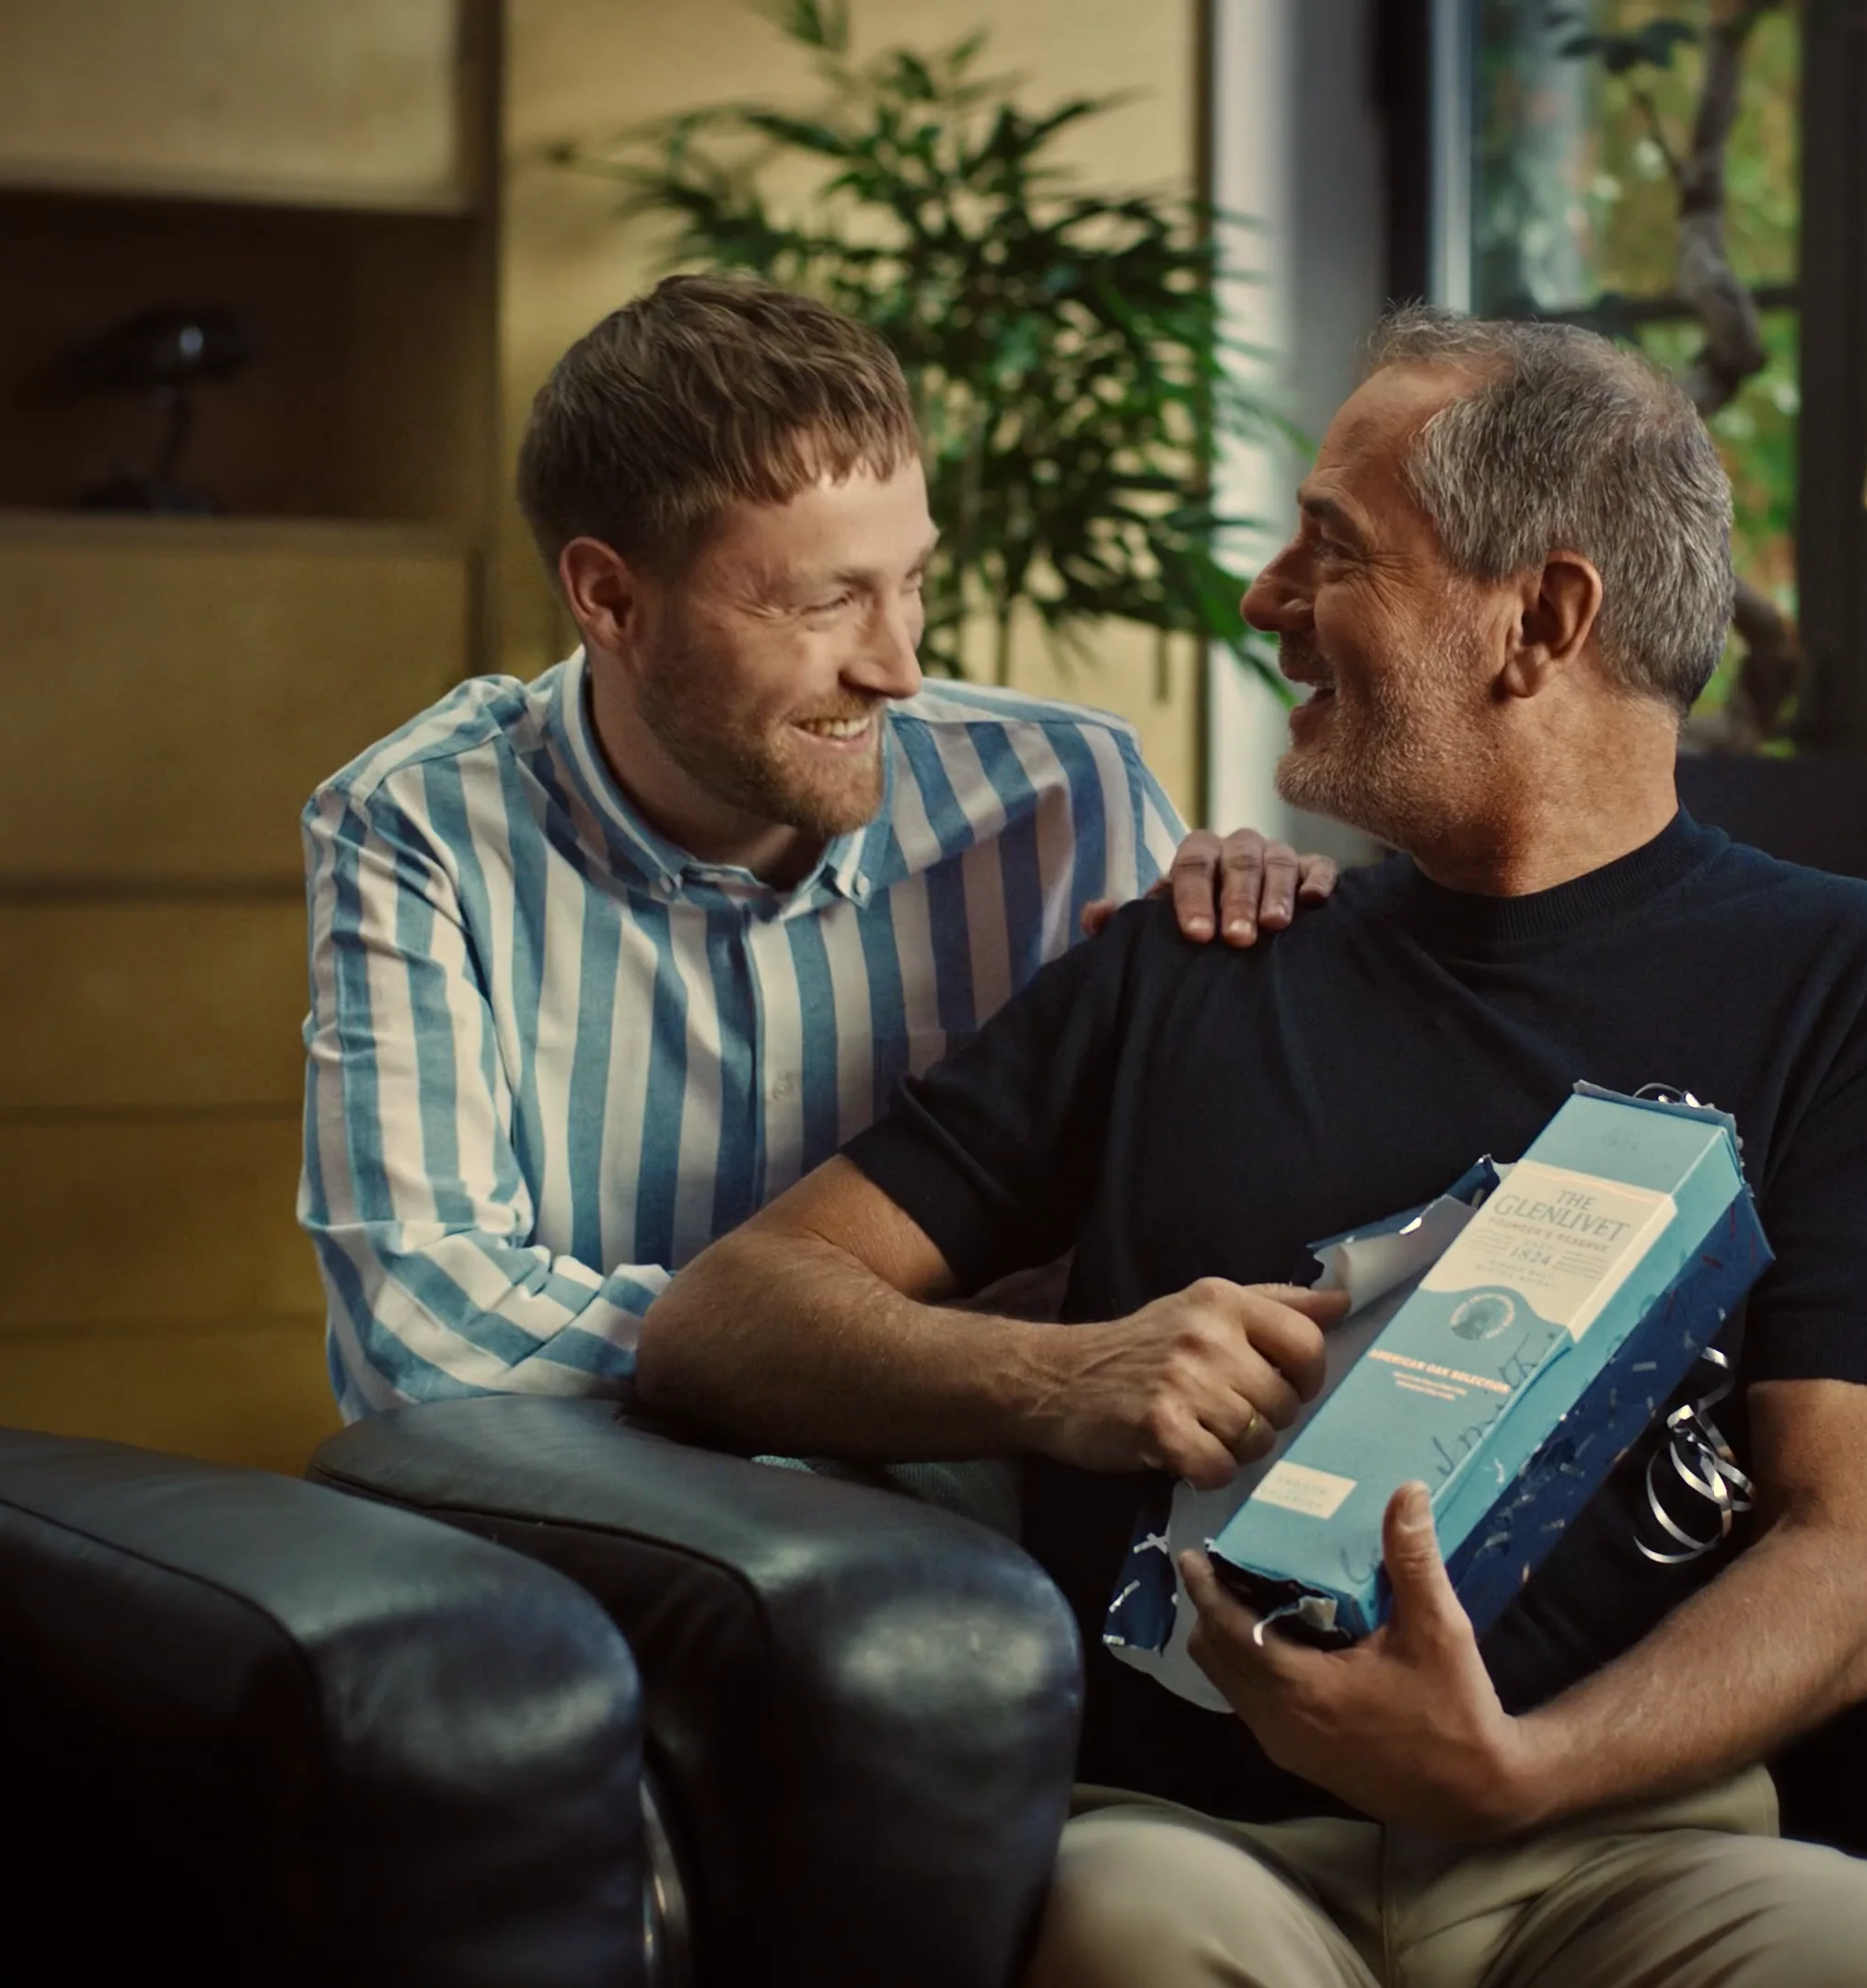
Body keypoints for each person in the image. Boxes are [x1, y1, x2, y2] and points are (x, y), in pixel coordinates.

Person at [632, 306, 1867, 1985]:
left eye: (1334, 549)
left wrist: (1522, 1771)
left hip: (1626, 1849)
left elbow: (1852, 1554)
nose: (1265, 599)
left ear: (1542, 620)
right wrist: (1061, 1379)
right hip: (1197, 1849)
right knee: (1136, 1940)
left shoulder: (1856, 982)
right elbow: (726, 1317)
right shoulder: (1199, 960)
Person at [303, 274, 1329, 1415]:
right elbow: (425, 1336)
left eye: (912, 584)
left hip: (987, 1504)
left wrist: (1285, 959)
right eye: (824, 602)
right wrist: (907, 1360)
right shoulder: (422, 824)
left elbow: (1199, 1235)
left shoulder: (1068, 799)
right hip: (595, 1511)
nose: (899, 667)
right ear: (610, 599)